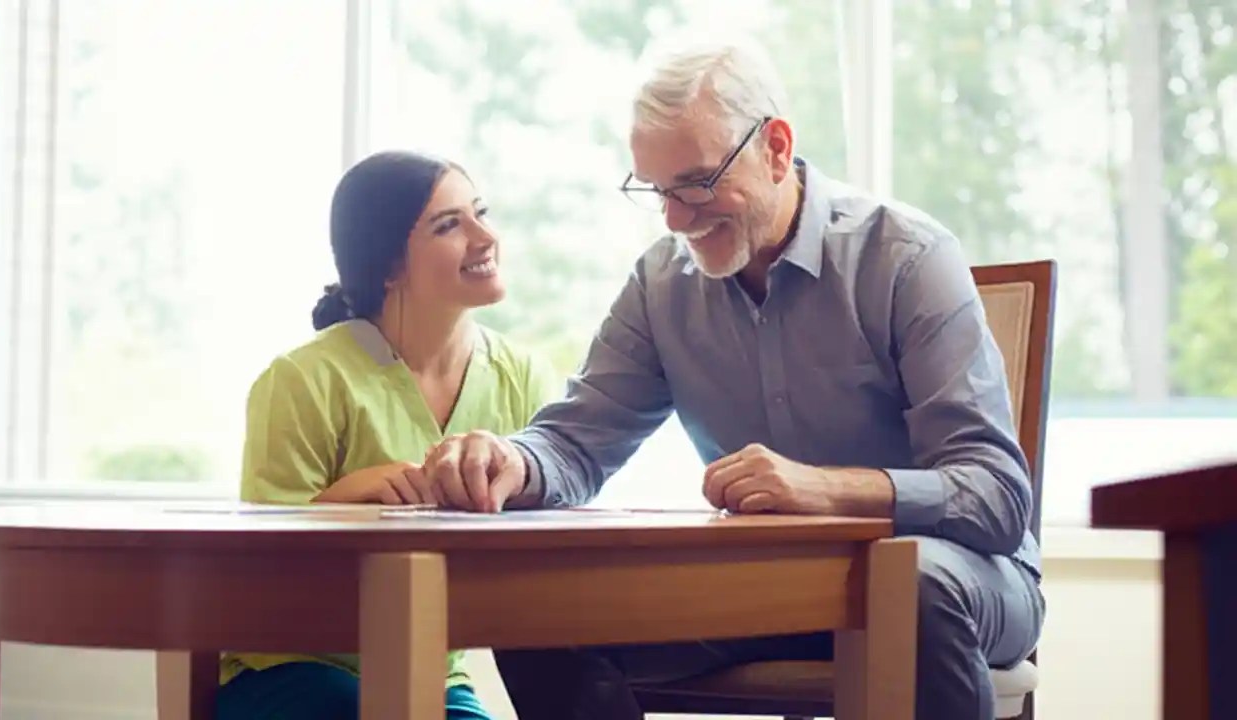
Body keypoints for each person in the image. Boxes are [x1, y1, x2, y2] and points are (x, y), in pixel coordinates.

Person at [421, 38, 1045, 720]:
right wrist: (511, 460)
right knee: (538, 607)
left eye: (695, 183)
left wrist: (827, 489)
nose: (676, 219)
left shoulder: (907, 259)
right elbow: (574, 443)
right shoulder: (662, 284)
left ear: (776, 148)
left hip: (960, 577)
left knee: (909, 582)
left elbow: (996, 497)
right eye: (657, 192)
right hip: (778, 585)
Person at [218, 151, 556, 720]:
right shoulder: (301, 380)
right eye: (449, 225)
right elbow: (260, 576)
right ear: (389, 266)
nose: (485, 236)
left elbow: (552, 525)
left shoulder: (522, 377)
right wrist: (341, 501)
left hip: (433, 679)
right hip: (285, 673)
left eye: (480, 212)